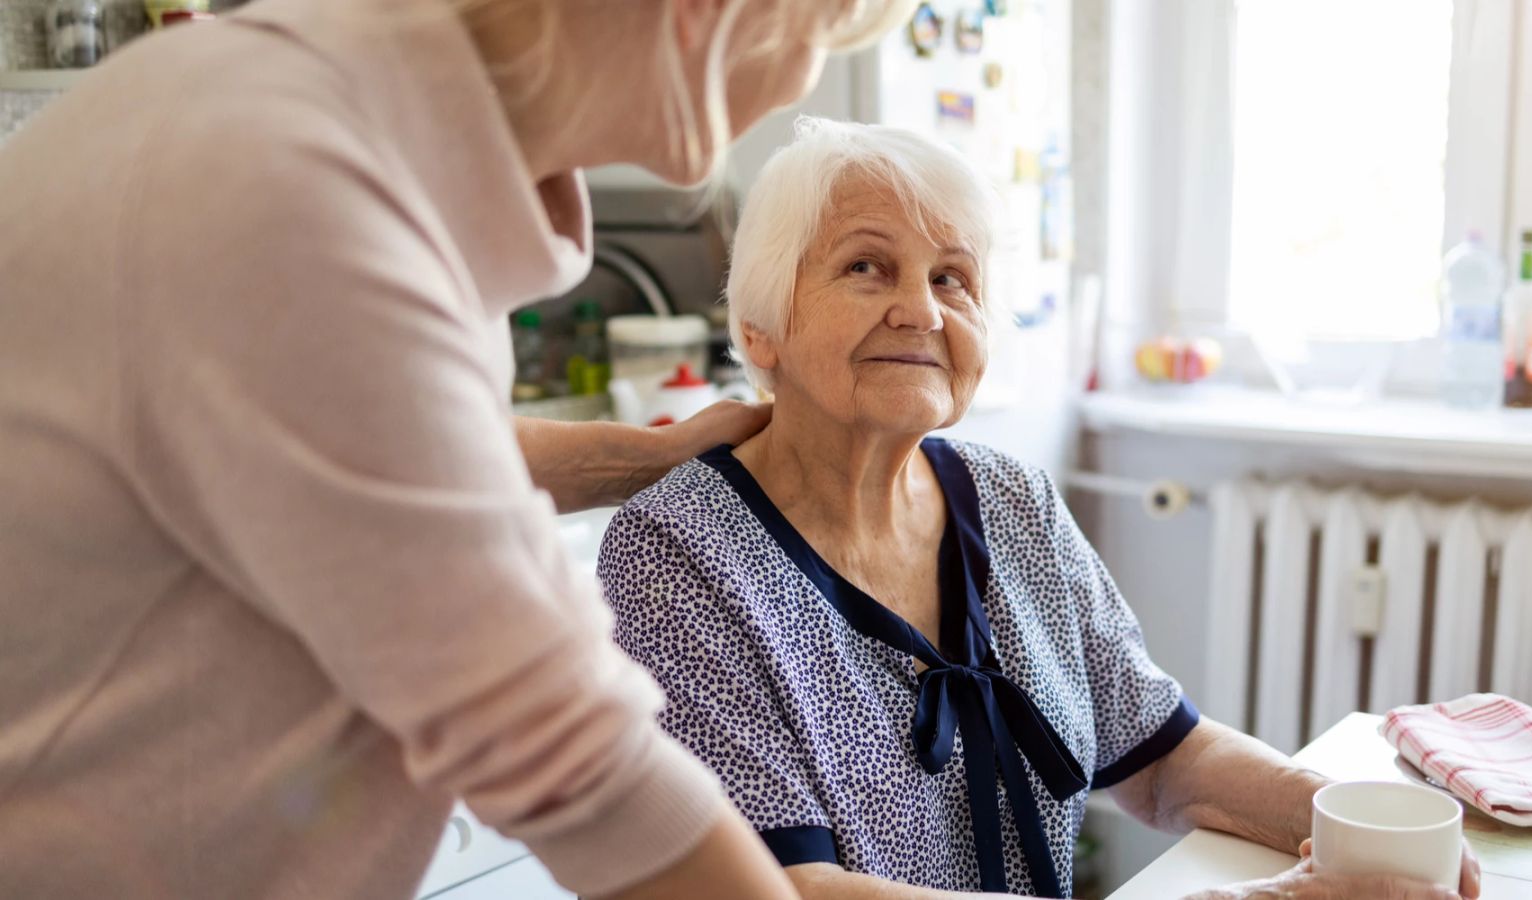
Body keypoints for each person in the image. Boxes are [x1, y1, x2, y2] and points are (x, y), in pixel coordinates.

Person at [0, 1, 913, 897]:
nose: (801, 76)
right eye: (817, 35)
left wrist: (645, 456)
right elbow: (573, 757)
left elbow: (356, 449)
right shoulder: (289, 190)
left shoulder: (326, 130)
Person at [601, 119, 1482, 899]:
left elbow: (1166, 759)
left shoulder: (1011, 499)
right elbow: (788, 888)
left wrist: (1350, 819)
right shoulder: (678, 556)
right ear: (761, 327)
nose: (921, 310)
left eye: (954, 280)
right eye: (866, 268)